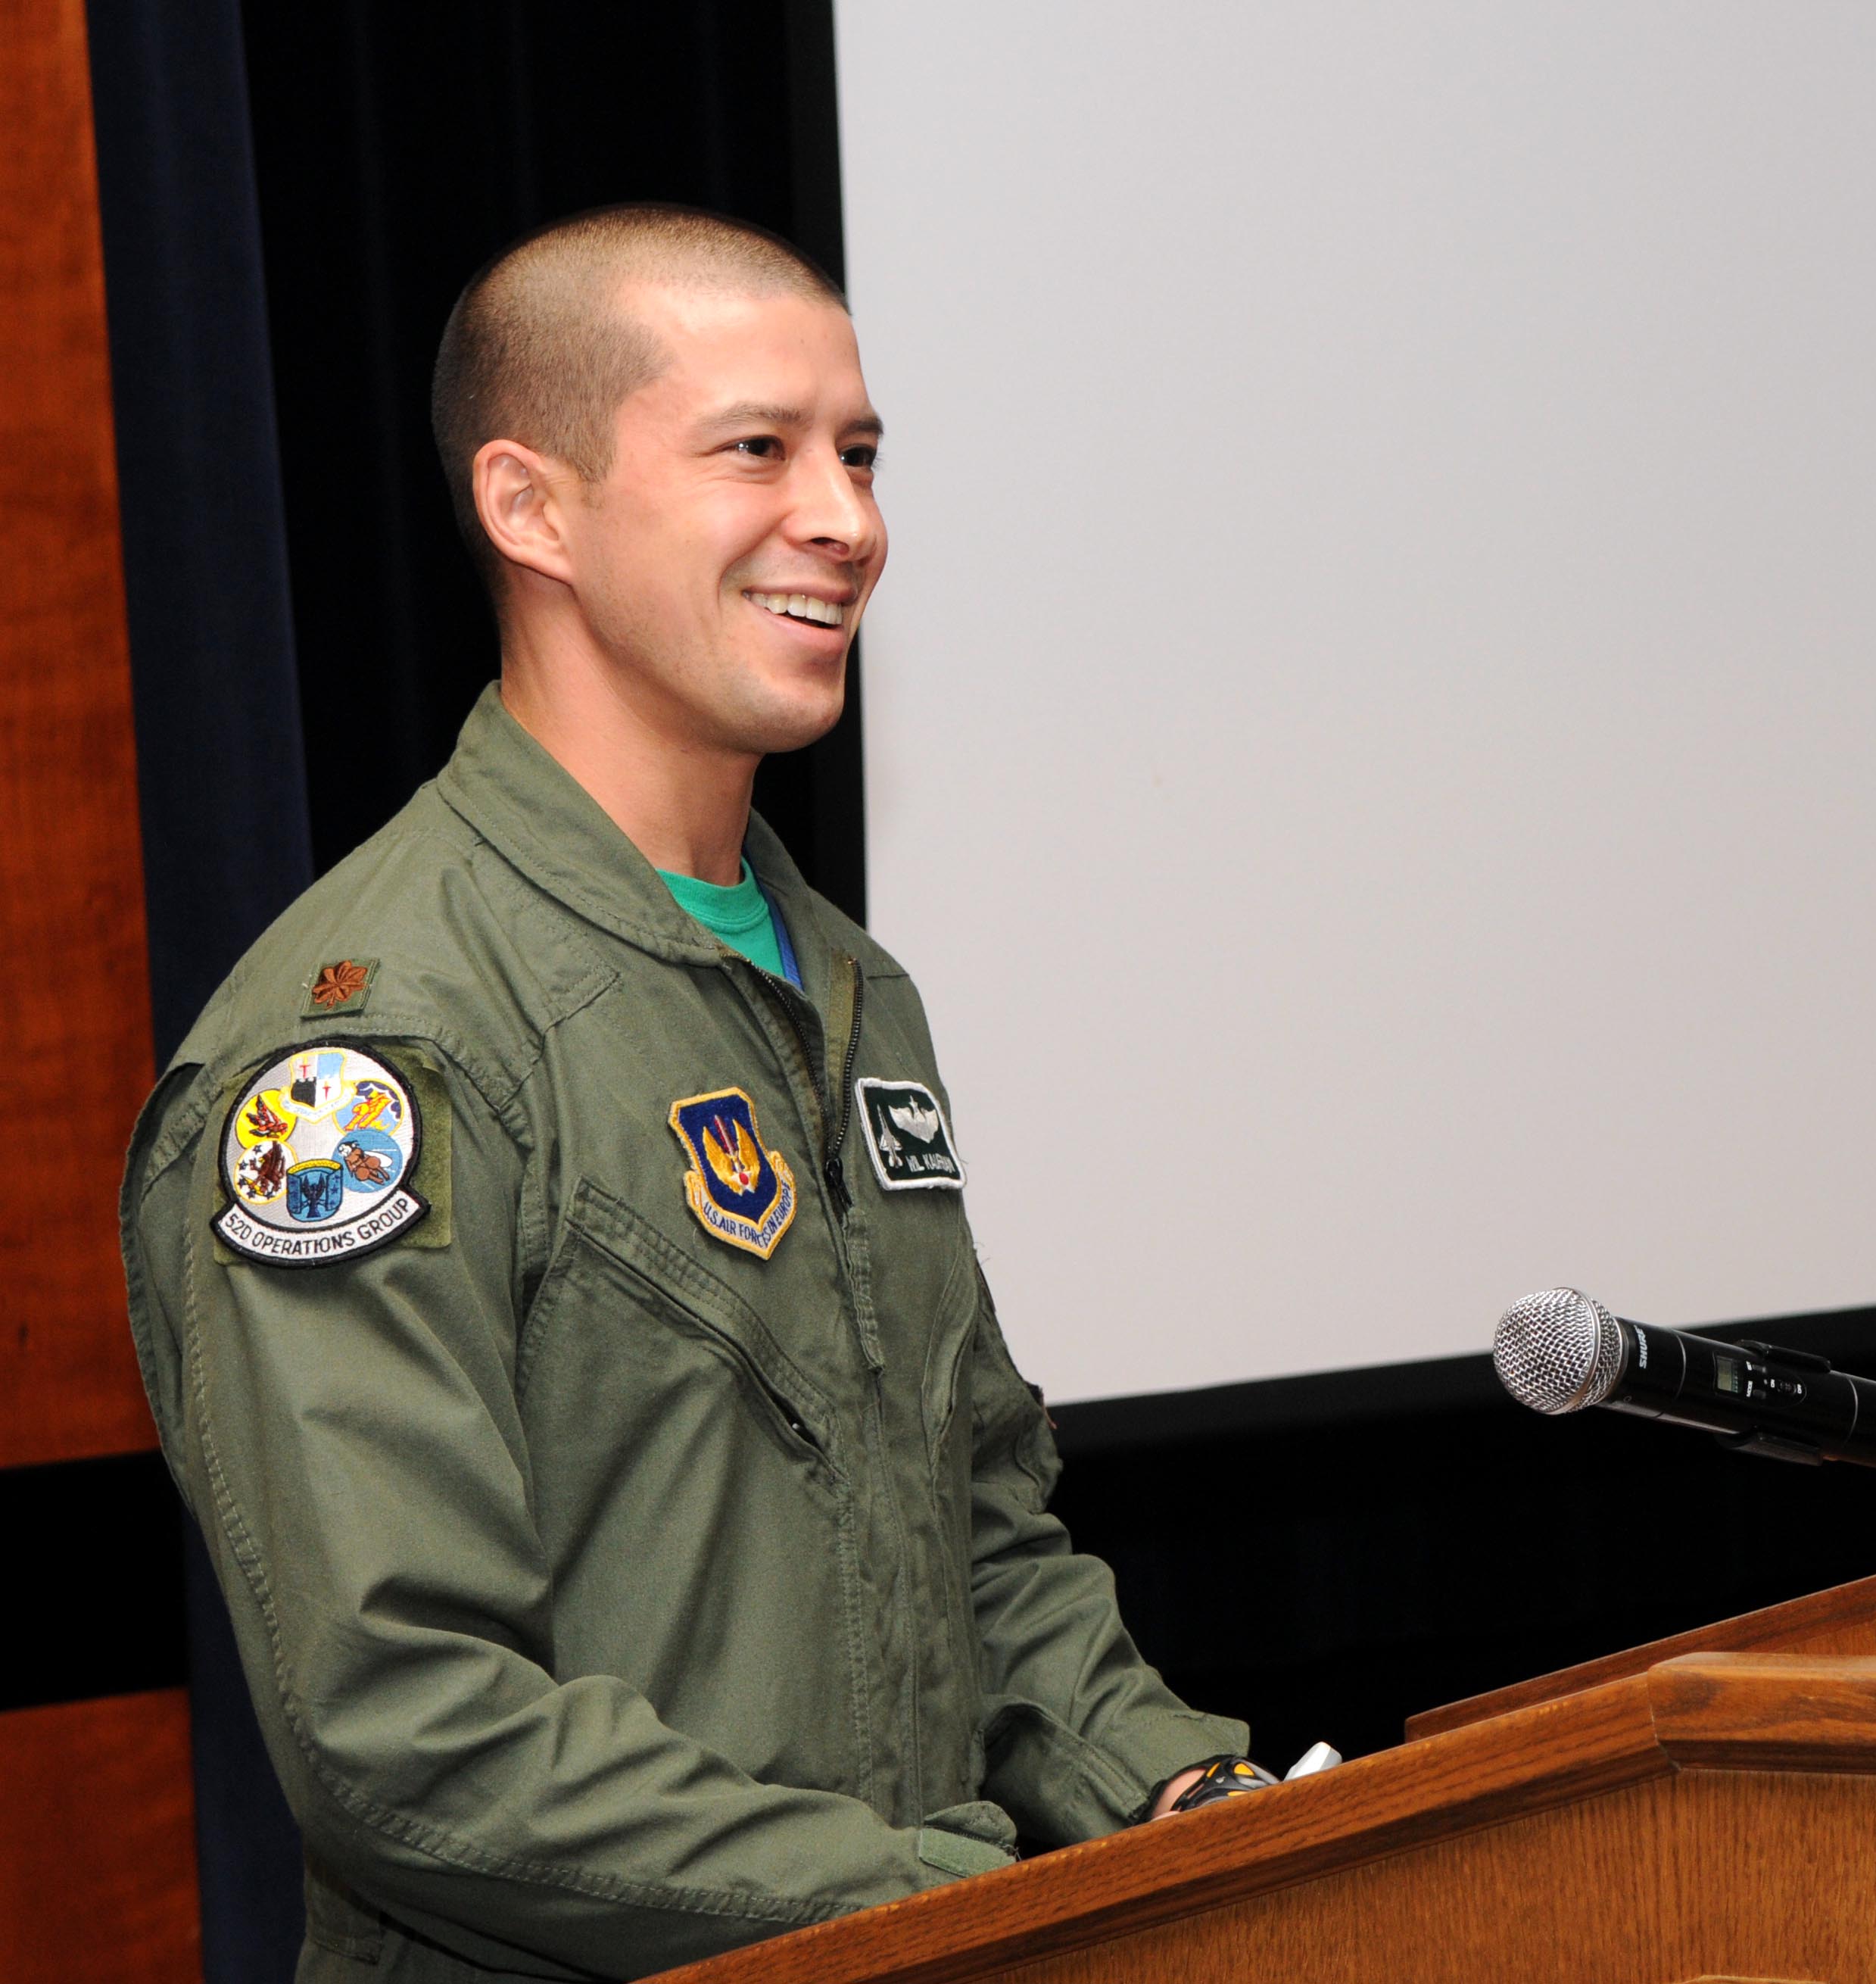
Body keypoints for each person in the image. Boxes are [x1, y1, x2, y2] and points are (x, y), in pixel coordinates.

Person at [119, 205, 1265, 1984]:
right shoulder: (370, 1053)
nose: (848, 520)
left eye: (860, 453)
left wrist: (1187, 1796)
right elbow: (409, 1728)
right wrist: (935, 1899)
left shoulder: (851, 990)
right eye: (758, 450)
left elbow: (972, 1522)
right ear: (530, 506)